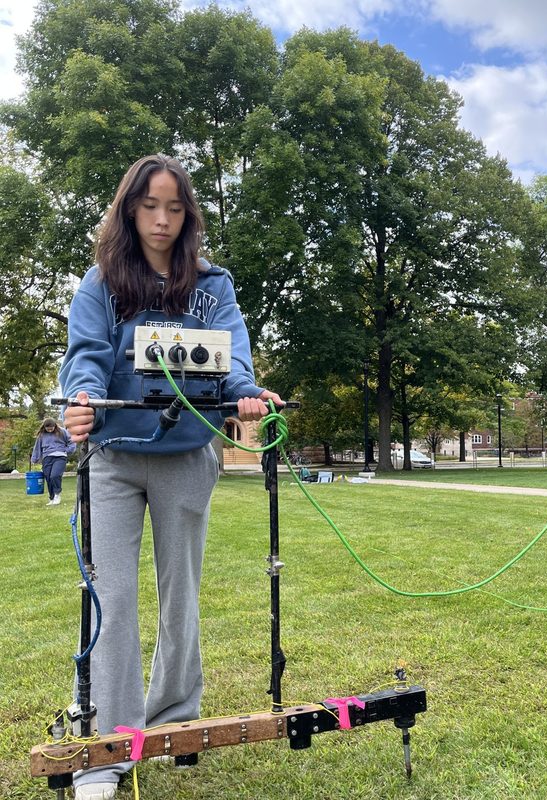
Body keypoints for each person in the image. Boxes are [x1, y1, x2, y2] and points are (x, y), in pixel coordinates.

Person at [60, 154, 283, 800]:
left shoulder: (214, 285)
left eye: (174, 208)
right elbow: (87, 358)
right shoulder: (99, 283)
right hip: (116, 455)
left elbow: (232, 353)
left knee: (179, 593)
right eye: (149, 206)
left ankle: (175, 723)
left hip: (186, 455)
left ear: (188, 216)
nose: (161, 220)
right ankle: (108, 749)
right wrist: (80, 400)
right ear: (129, 210)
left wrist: (245, 394)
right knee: (114, 599)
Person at [31, 417, 76, 505]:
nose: (50, 430)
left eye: (51, 428)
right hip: (47, 457)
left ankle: (57, 494)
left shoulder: (62, 431)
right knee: (48, 477)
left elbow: (72, 442)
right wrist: (34, 459)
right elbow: (37, 447)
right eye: (48, 429)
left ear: (55, 426)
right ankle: (52, 498)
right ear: (44, 427)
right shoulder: (41, 435)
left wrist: (67, 450)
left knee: (54, 475)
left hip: (60, 456)